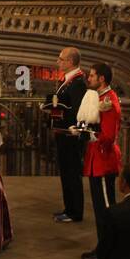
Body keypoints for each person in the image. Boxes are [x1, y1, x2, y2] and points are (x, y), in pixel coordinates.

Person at [81, 63, 122, 259]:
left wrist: (87, 134)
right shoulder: (100, 97)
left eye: (92, 76)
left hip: (104, 160)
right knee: (99, 209)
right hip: (97, 159)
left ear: (102, 79)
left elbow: (108, 135)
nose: (89, 78)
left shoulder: (109, 101)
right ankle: (103, 246)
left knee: (106, 209)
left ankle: (108, 250)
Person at [46, 46, 88, 223]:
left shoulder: (77, 82)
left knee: (72, 173)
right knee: (66, 172)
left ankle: (75, 212)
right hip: (63, 133)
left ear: (70, 62)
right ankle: (68, 208)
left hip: (70, 135)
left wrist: (60, 113)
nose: (58, 62)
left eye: (61, 59)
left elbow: (76, 110)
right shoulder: (69, 80)